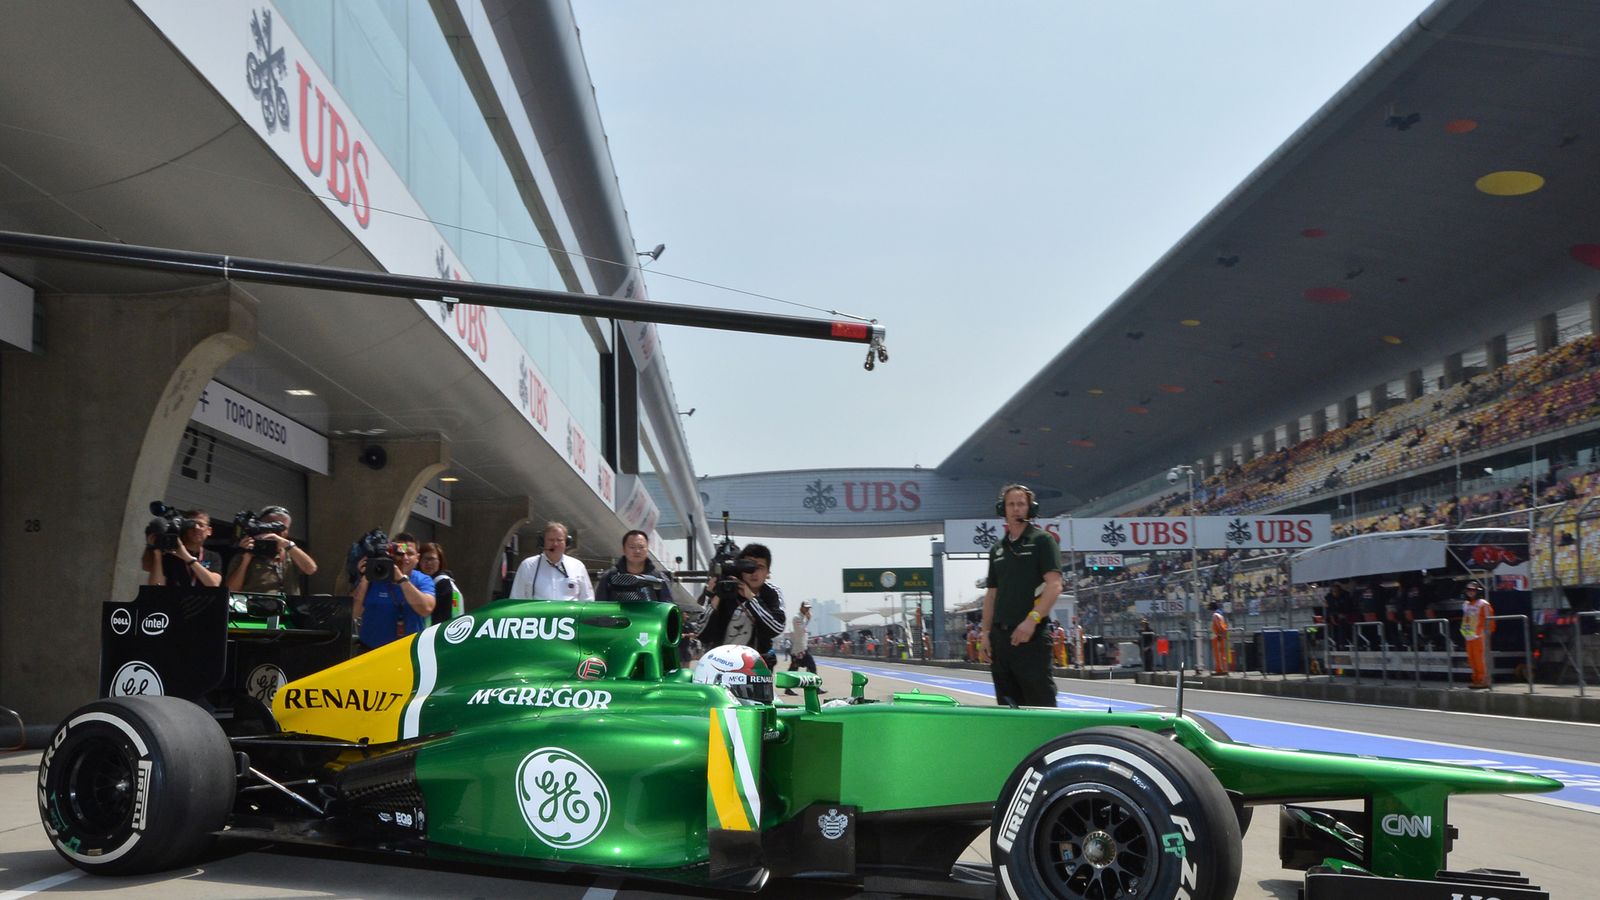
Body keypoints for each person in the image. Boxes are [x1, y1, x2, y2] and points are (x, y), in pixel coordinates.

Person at [979, 484, 1063, 708]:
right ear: (1002, 509)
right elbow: (991, 595)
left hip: (1031, 637)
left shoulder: (1042, 541)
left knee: (1041, 705)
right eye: (1011, 504)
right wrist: (985, 633)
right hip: (1000, 641)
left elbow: (1054, 585)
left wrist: (1030, 621)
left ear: (1030, 508)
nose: (1016, 509)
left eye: (1021, 504)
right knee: (1007, 707)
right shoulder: (997, 550)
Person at [696, 543, 785, 663]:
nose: (754, 572)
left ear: (768, 572)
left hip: (756, 669)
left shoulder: (771, 593)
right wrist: (715, 596)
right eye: (749, 566)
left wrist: (751, 597)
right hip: (720, 664)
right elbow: (702, 634)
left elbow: (776, 627)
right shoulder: (725, 588)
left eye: (760, 567)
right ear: (740, 569)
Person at [352, 531, 435, 651]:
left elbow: (426, 609)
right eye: (400, 553)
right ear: (391, 554)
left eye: (410, 554)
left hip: (407, 652)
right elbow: (354, 612)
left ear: (417, 558)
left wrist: (401, 579)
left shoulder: (423, 580)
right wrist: (364, 578)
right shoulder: (375, 577)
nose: (405, 558)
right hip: (370, 651)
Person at [225, 505, 317, 594]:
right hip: (256, 607)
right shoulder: (246, 552)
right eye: (272, 525)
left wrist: (288, 545)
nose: (278, 531)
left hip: (287, 607)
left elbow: (311, 569)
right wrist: (246, 559)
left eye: (282, 528)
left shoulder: (291, 553)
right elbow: (231, 590)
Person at [508, 522, 593, 601]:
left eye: (559, 540)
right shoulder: (528, 565)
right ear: (542, 542)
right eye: (551, 540)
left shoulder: (577, 566)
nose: (555, 544)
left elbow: (588, 599)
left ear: (566, 543)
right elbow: (516, 597)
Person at [147, 510, 222, 588]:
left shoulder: (213, 557)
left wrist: (186, 557)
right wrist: (157, 552)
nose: (196, 528)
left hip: (200, 599)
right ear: (185, 528)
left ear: (209, 531)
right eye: (191, 524)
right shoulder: (171, 552)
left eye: (201, 525)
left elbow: (214, 584)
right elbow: (155, 586)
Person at [594, 530, 669, 603]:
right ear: (624, 549)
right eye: (632, 547)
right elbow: (600, 607)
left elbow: (668, 607)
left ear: (647, 549)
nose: (637, 551)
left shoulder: (658, 578)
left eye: (641, 547)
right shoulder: (609, 577)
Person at [1460, 581, 1496, 688]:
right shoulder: (1466, 605)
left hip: (1480, 636)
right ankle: (1476, 680)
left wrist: (1487, 633)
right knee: (1472, 659)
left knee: (1481, 659)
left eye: (1473, 590)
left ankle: (1484, 680)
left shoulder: (1483, 604)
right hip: (1469, 635)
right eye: (1469, 590)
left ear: (1478, 591)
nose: (1470, 592)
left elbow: (1490, 620)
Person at [418, 542, 463, 625]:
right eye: (425, 559)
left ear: (440, 561)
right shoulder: (420, 580)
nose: (428, 563)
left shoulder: (443, 583)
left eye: (432, 559)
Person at [783, 599, 822, 695]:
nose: (807, 610)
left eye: (808, 608)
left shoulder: (803, 618)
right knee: (794, 669)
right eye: (806, 608)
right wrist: (808, 620)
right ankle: (788, 688)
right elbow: (800, 631)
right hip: (798, 650)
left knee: (810, 667)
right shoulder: (797, 618)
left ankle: (814, 687)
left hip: (803, 649)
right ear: (801, 608)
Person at [1209, 601, 1230, 675]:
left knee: (1218, 654)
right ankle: (1223, 669)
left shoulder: (1215, 615)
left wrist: (1220, 634)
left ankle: (1220, 670)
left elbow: (1219, 626)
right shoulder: (1220, 615)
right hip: (1221, 636)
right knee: (1222, 654)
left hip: (1217, 636)